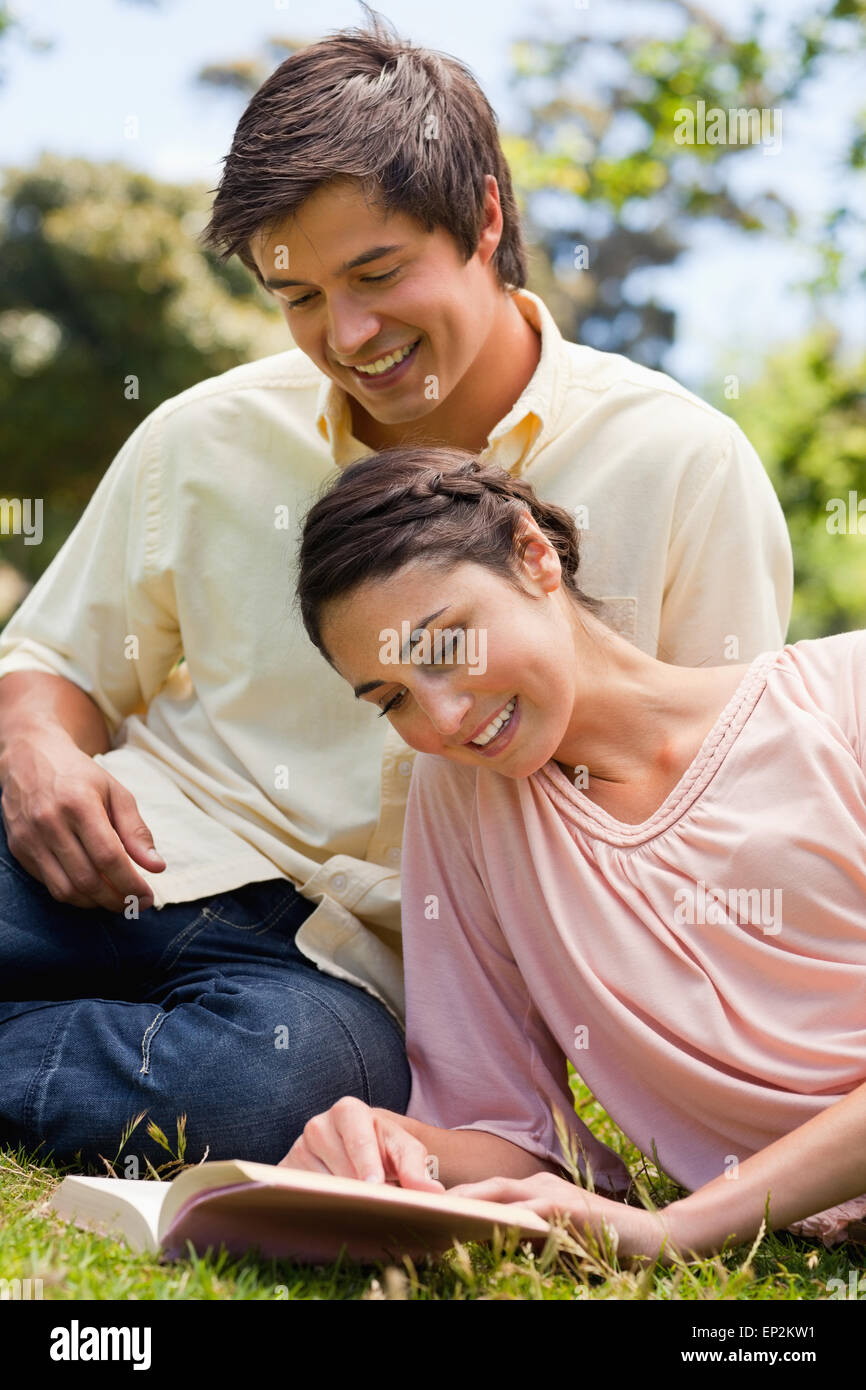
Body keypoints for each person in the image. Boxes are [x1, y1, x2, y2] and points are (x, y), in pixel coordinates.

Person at [0, 10, 790, 1171]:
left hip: (340, 975)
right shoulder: (206, 436)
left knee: (273, 1090)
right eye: (299, 296)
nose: (348, 334)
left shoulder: (678, 462)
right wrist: (40, 755)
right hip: (132, 856)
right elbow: (57, 660)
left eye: (375, 274)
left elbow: (718, 790)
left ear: (482, 216)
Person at [284, 445, 866, 1262]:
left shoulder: (845, 696)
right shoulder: (463, 799)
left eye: (445, 647)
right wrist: (385, 1144)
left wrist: (680, 1229)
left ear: (533, 555)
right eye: (393, 699)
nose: (443, 719)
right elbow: (509, 1133)